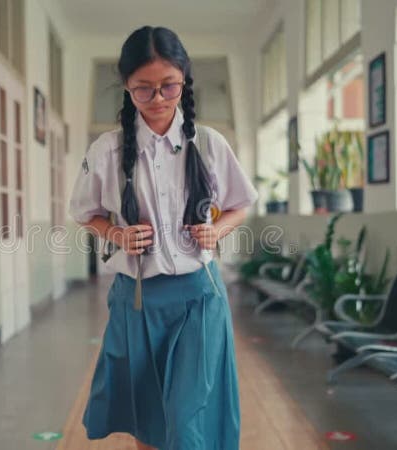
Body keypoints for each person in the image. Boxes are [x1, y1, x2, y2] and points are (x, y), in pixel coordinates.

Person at [67, 25, 258, 450]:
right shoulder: (107, 151)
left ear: (184, 79)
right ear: (127, 87)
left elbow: (240, 204)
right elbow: (84, 213)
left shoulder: (209, 144)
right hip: (137, 301)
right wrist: (116, 232)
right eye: (144, 90)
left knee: (188, 421)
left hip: (199, 298)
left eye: (169, 87)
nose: (158, 100)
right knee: (150, 423)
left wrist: (215, 230)